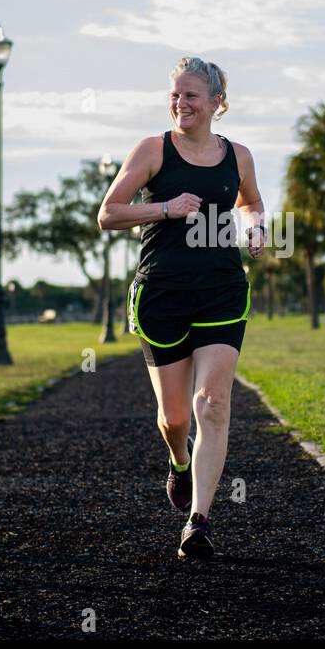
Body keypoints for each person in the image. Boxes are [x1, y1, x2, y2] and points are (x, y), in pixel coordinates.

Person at [97, 57, 266, 559]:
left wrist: (255, 226)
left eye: (191, 95)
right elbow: (108, 213)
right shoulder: (153, 150)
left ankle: (199, 521)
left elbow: (251, 202)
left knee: (211, 404)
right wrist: (165, 209)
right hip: (162, 293)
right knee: (174, 419)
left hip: (221, 289)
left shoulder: (238, 156)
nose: (180, 103)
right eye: (175, 94)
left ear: (217, 102)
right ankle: (178, 460)